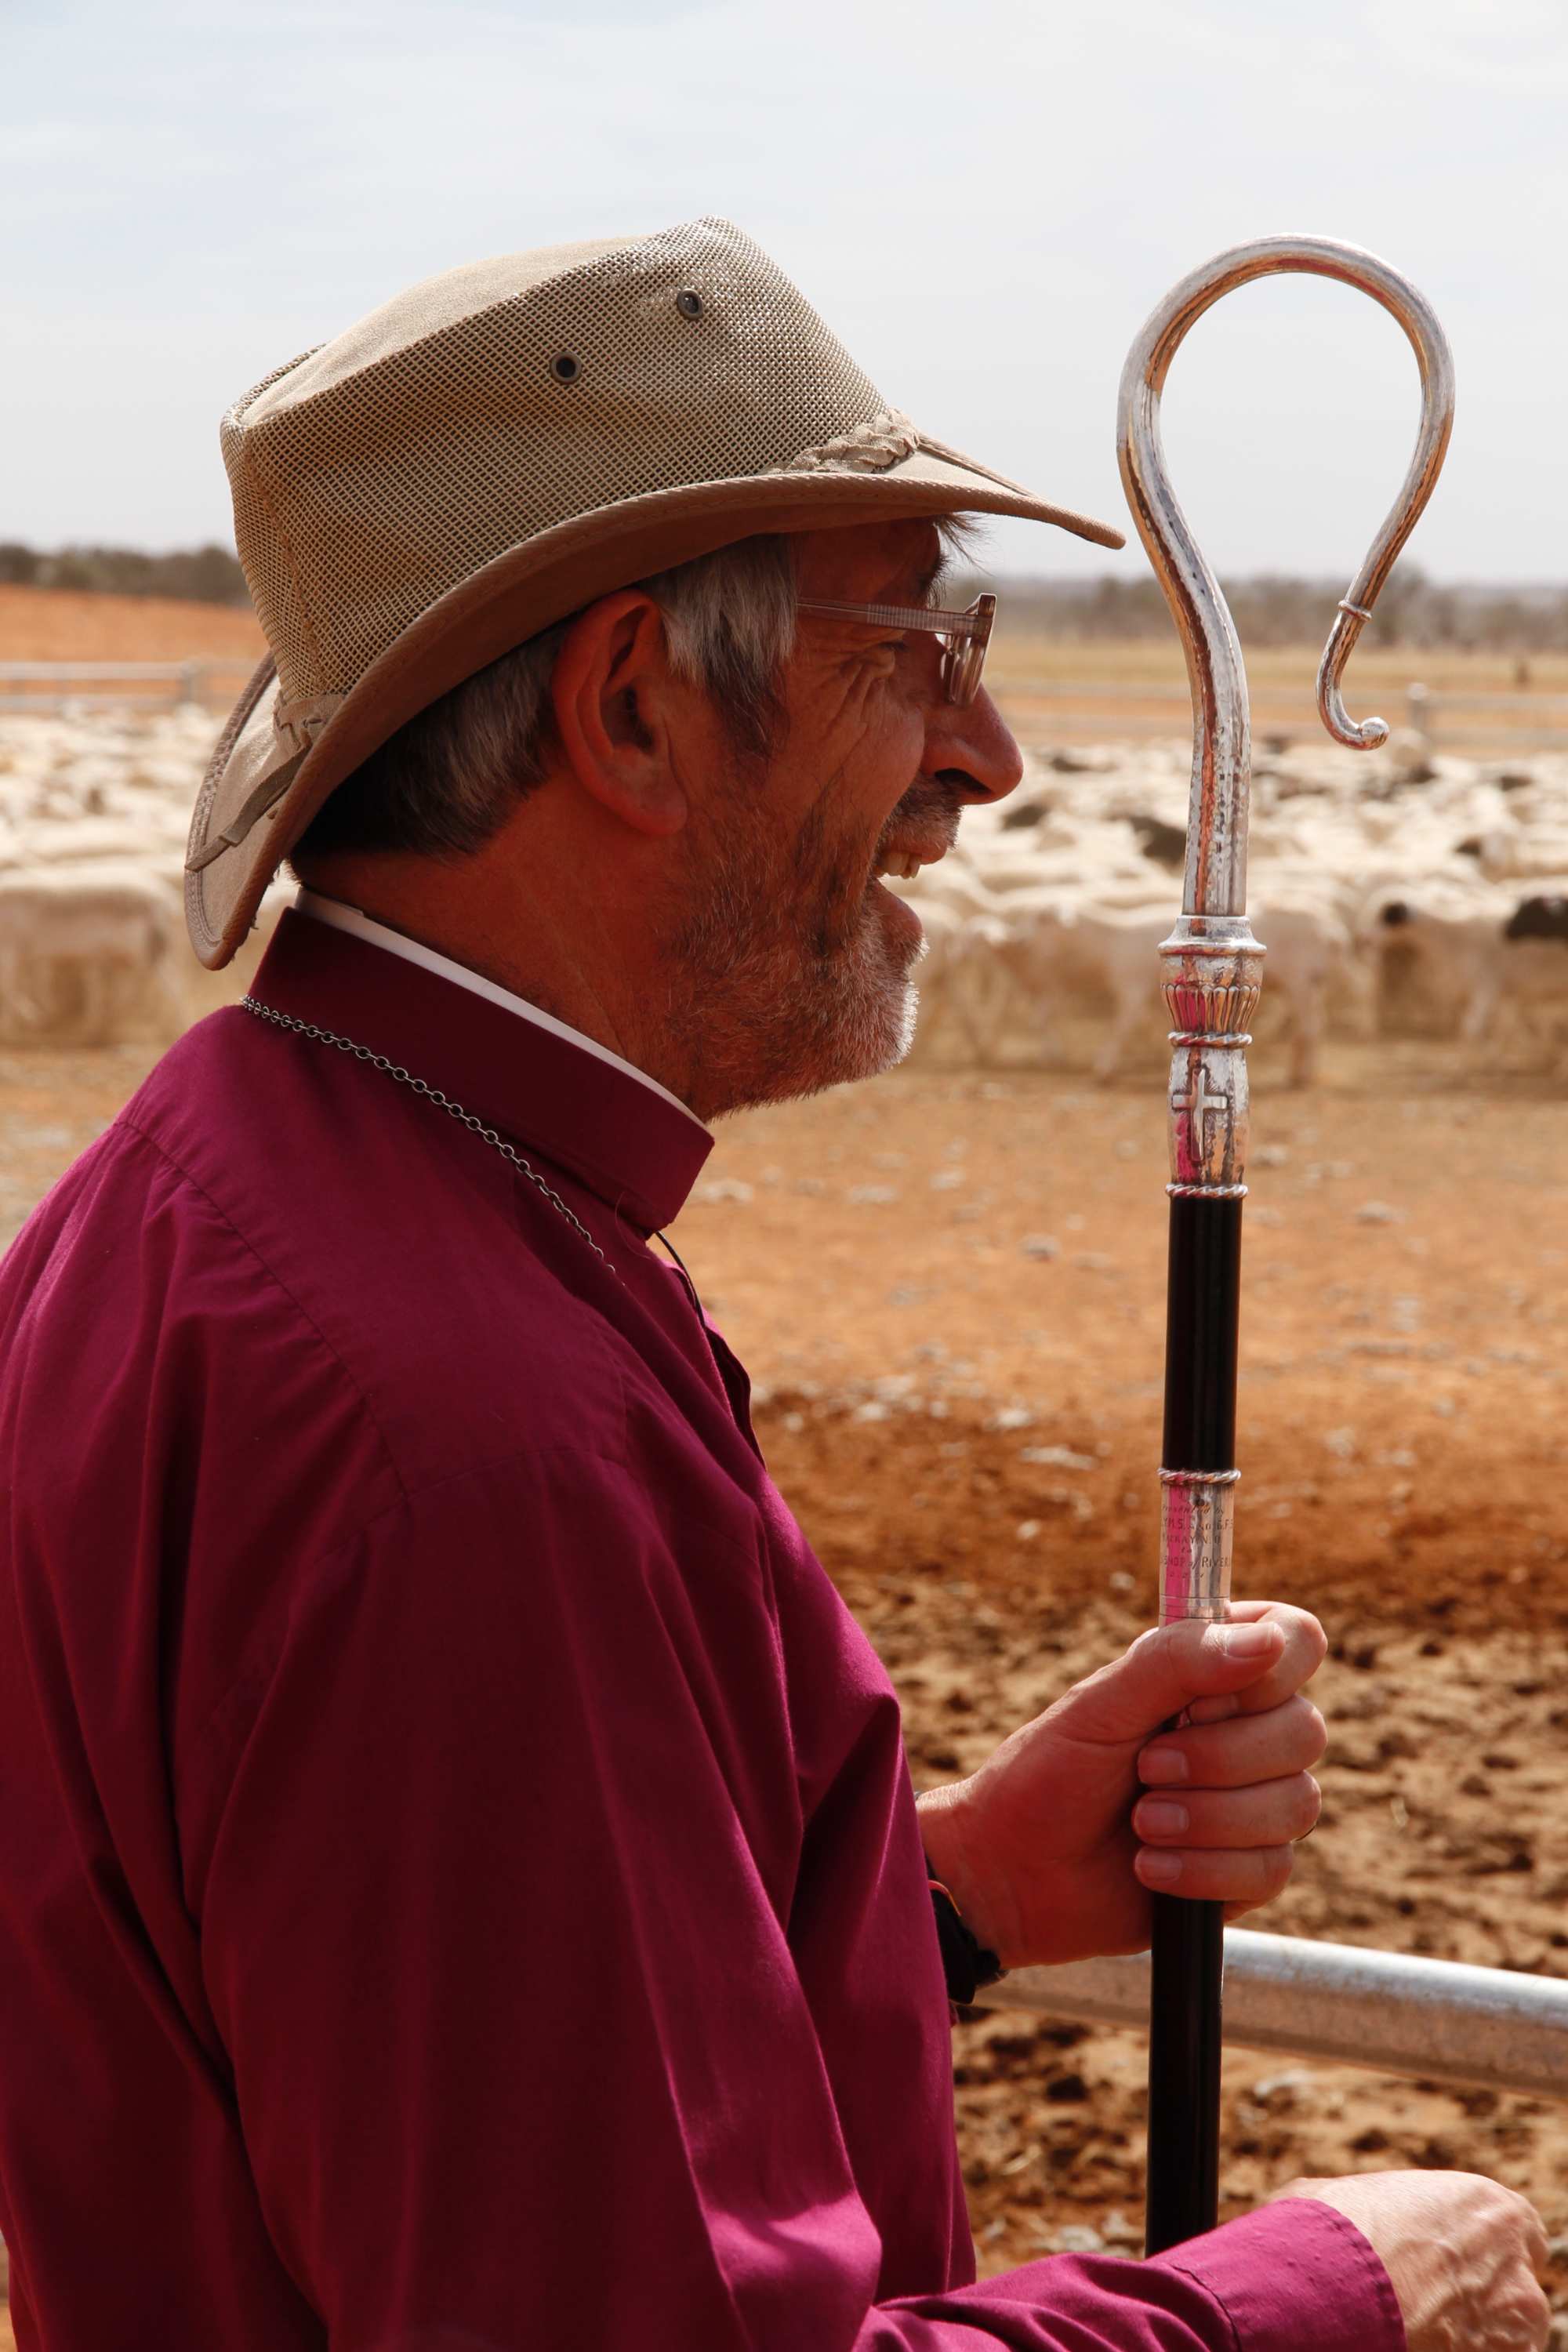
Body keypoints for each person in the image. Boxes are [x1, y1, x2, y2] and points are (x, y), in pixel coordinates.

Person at [0, 217, 1547, 2352]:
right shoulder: (449, 1427)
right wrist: (1297, 2303)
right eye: (913, 646)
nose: (985, 755)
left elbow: (421, 2065)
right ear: (634, 706)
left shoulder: (221, 1204)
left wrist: (951, 1897)